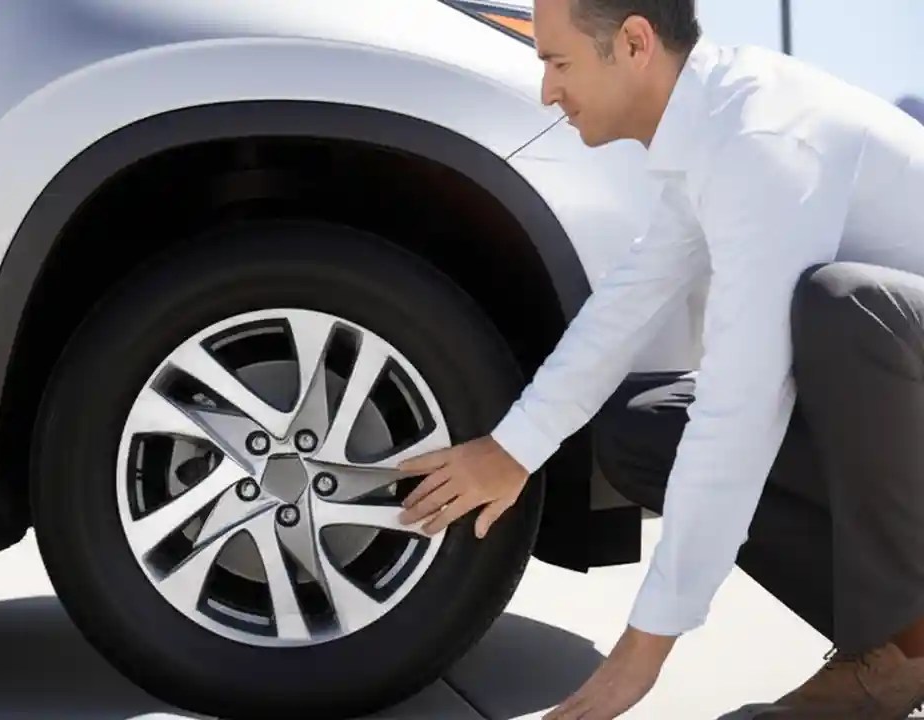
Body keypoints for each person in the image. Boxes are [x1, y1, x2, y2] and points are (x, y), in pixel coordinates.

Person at [395, 0, 924, 717]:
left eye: (558, 62)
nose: (548, 90)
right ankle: (893, 639)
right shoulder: (709, 135)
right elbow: (627, 304)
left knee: (843, 308)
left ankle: (906, 651)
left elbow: (740, 412)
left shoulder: (761, 140)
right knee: (642, 431)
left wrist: (638, 659)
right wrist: (512, 451)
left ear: (635, 43)